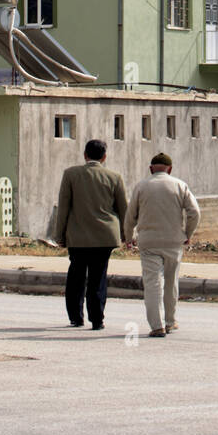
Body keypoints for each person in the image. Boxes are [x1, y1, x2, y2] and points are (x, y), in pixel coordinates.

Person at [55, 138, 128, 331]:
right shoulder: (114, 177)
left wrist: (59, 235)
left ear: (85, 155)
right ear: (104, 157)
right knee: (98, 278)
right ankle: (97, 319)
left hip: (77, 236)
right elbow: (123, 209)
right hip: (105, 236)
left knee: (76, 277)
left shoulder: (71, 174)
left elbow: (63, 207)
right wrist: (126, 234)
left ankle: (76, 317)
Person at [124, 152, 200, 338]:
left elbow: (130, 216)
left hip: (149, 242)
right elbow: (195, 212)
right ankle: (170, 321)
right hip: (173, 241)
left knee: (152, 284)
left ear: (151, 169)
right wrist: (187, 234)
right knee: (171, 282)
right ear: (170, 169)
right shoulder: (180, 185)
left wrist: (128, 237)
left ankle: (157, 325)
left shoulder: (141, 186)